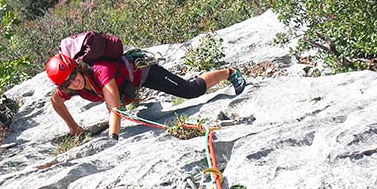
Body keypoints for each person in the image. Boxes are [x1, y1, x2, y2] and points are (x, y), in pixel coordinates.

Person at [46, 51, 247, 140]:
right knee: (128, 104)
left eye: (73, 74)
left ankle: (229, 72)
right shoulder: (71, 88)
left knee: (190, 91)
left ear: (77, 67)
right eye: (67, 82)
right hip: (126, 88)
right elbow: (56, 102)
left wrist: (113, 138)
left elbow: (113, 110)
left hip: (144, 74)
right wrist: (74, 128)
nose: (74, 81)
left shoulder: (100, 71)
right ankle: (132, 99)